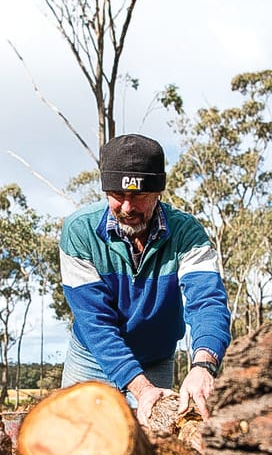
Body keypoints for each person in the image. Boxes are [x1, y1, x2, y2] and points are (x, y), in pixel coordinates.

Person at [59, 133, 231, 424]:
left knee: (155, 448)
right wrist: (139, 388)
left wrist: (203, 365)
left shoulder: (188, 234)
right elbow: (95, 322)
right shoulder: (80, 232)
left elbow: (207, 302)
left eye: (138, 195)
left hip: (155, 358)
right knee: (73, 446)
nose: (127, 208)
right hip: (90, 359)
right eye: (118, 195)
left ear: (158, 192)